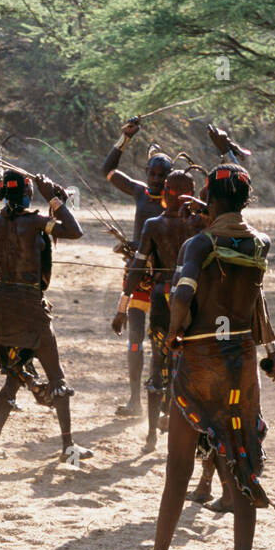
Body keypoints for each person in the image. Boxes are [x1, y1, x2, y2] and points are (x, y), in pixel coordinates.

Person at [124, 148, 275, 550]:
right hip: (242, 368)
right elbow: (253, 297)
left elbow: (184, 294)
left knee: (178, 469)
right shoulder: (259, 245)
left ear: (208, 198)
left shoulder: (197, 245)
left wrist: (173, 334)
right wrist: (272, 354)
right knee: (242, 471)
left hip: (200, 364)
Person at [0, 169, 92, 463]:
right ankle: (68, 447)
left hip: (0, 308)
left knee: (14, 375)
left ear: (3, 193)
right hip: (29, 307)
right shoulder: (36, 222)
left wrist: (5, 273)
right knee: (56, 377)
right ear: (28, 193)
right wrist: (52, 197)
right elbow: (75, 231)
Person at [115, 168, 201, 453]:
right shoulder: (199, 224)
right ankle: (189, 429)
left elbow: (138, 266)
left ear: (165, 193)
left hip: (162, 299)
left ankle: (151, 435)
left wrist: (122, 306)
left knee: (157, 364)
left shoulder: (153, 224)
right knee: (191, 365)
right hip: (193, 301)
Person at [102, 118, 172, 418]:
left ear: (171, 177)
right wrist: (125, 138)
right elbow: (108, 171)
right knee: (134, 341)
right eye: (153, 174)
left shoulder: (178, 203)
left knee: (161, 343)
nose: (156, 180)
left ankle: (163, 397)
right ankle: (135, 400)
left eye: (162, 175)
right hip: (136, 277)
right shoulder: (141, 192)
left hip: (163, 281)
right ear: (146, 173)